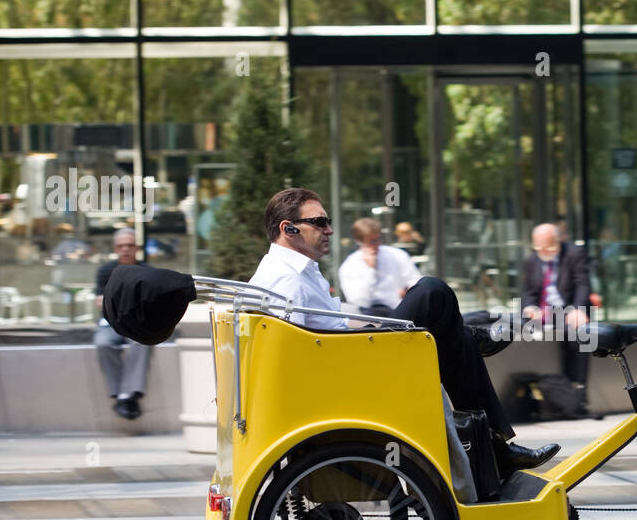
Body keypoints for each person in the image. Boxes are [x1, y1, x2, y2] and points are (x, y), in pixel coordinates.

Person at [248, 188, 557, 472]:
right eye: (318, 222)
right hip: (346, 377)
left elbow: (323, 330)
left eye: (327, 221)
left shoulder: (297, 271)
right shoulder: (286, 280)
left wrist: (366, 328)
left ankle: (494, 445)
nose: (329, 230)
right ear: (287, 228)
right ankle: (494, 438)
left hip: (347, 359)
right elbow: (296, 358)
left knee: (457, 337)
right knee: (431, 290)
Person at [521, 222, 593, 410]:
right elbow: (529, 292)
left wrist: (578, 309)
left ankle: (576, 390)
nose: (544, 252)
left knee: (577, 334)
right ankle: (531, 388)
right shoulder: (531, 261)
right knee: (511, 328)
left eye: (549, 246)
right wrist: (530, 307)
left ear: (559, 241)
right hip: (543, 312)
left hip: (568, 309)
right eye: (539, 247)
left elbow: (582, 284)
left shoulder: (574, 254)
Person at [94, 228, 153, 420]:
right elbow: (99, 301)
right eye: (121, 246)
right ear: (115, 248)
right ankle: (119, 393)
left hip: (137, 323)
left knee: (143, 342)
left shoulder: (148, 271)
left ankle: (127, 395)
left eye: (129, 245)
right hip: (111, 322)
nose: (125, 249)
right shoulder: (105, 271)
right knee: (103, 343)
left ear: (136, 247)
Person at [337, 216, 423, 317]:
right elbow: (359, 301)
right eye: (372, 241)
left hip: (399, 309)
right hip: (369, 315)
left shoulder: (397, 254)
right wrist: (370, 270)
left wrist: (410, 291)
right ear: (359, 241)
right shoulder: (350, 265)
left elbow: (415, 280)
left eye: (378, 239)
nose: (377, 244)